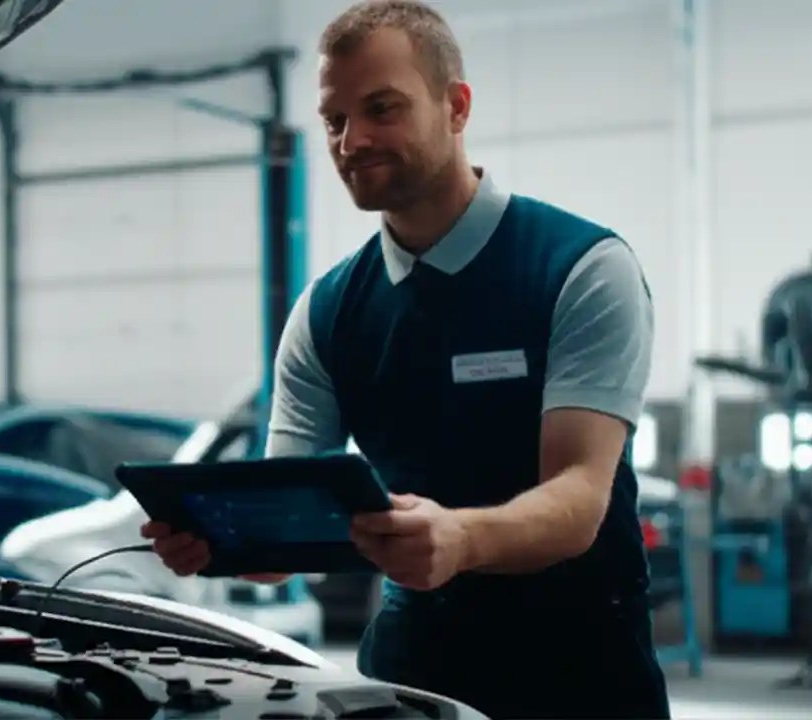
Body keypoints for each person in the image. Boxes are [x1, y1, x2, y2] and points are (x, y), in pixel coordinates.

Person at [141, 1, 671, 718]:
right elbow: (284, 528)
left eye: (381, 108)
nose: (351, 140)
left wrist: (462, 537)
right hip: (412, 671)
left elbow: (579, 496)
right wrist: (219, 540)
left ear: (456, 107)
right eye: (334, 120)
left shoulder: (580, 268)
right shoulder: (326, 313)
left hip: (579, 670)